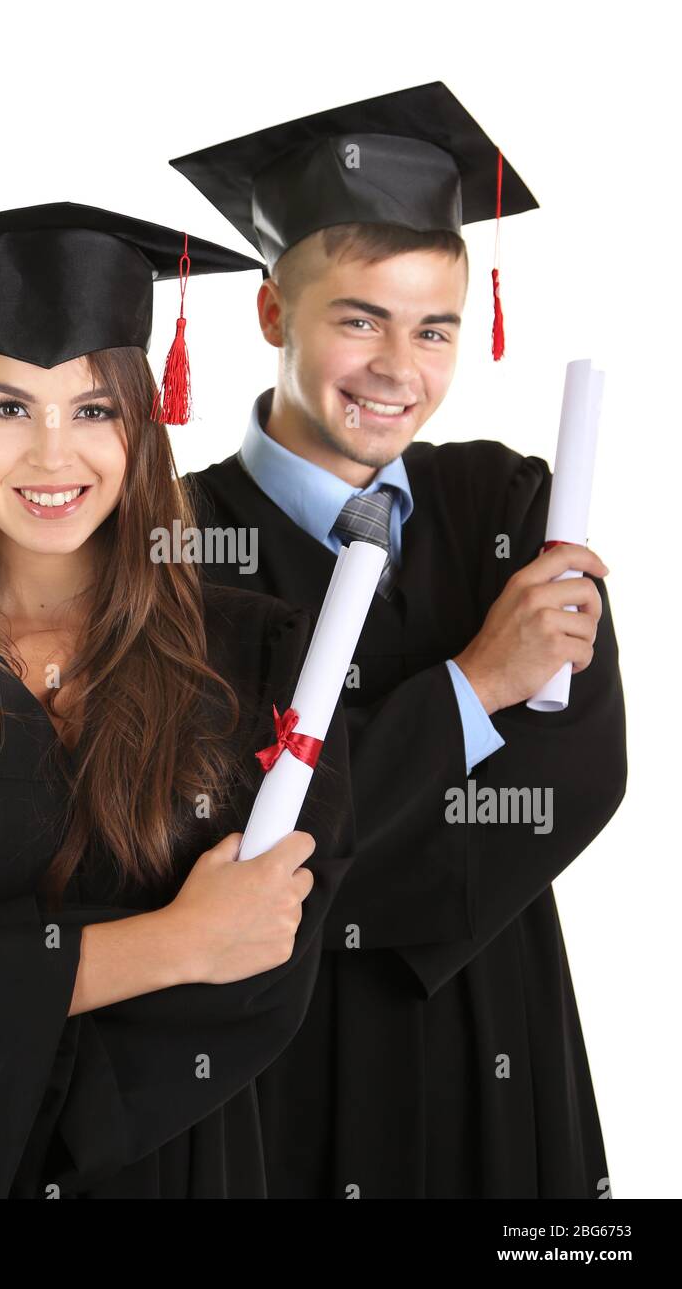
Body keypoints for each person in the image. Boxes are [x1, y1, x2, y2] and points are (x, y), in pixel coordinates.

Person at [0, 201, 358, 1199]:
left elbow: (262, 967)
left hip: (175, 1171)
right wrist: (172, 941)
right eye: (6, 407)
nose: (51, 455)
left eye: (93, 410)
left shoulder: (264, 660)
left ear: (143, 423)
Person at [171, 81, 628, 1198]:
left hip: (493, 1020)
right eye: (357, 318)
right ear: (274, 314)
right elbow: (222, 819)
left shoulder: (510, 503)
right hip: (282, 1043)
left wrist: (326, 861)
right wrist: (476, 687)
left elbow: (577, 774)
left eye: (433, 329)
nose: (396, 368)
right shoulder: (180, 543)